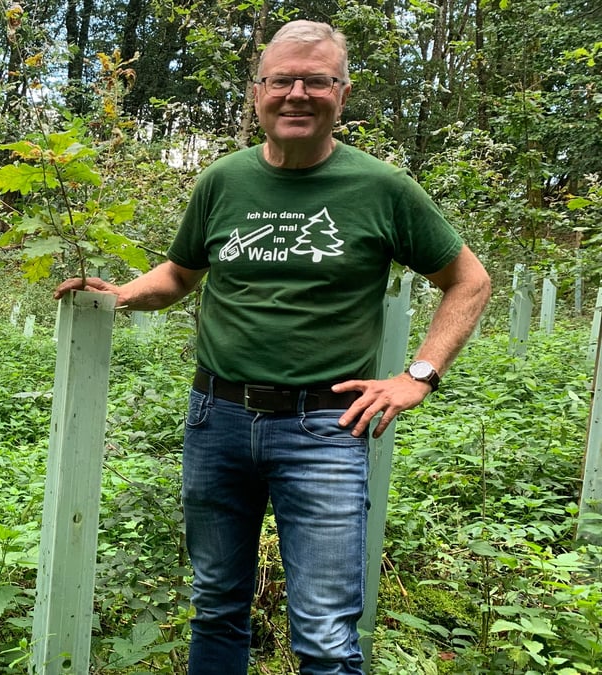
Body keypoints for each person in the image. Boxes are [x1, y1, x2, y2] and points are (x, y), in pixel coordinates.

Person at [53, 19, 491, 675]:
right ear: (256, 92)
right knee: (217, 608)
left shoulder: (382, 188)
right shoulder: (223, 181)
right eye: (281, 79)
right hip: (217, 420)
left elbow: (468, 279)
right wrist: (119, 293)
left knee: (323, 633)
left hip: (325, 426)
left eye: (315, 80)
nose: (296, 93)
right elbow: (179, 274)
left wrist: (418, 375)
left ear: (342, 94)